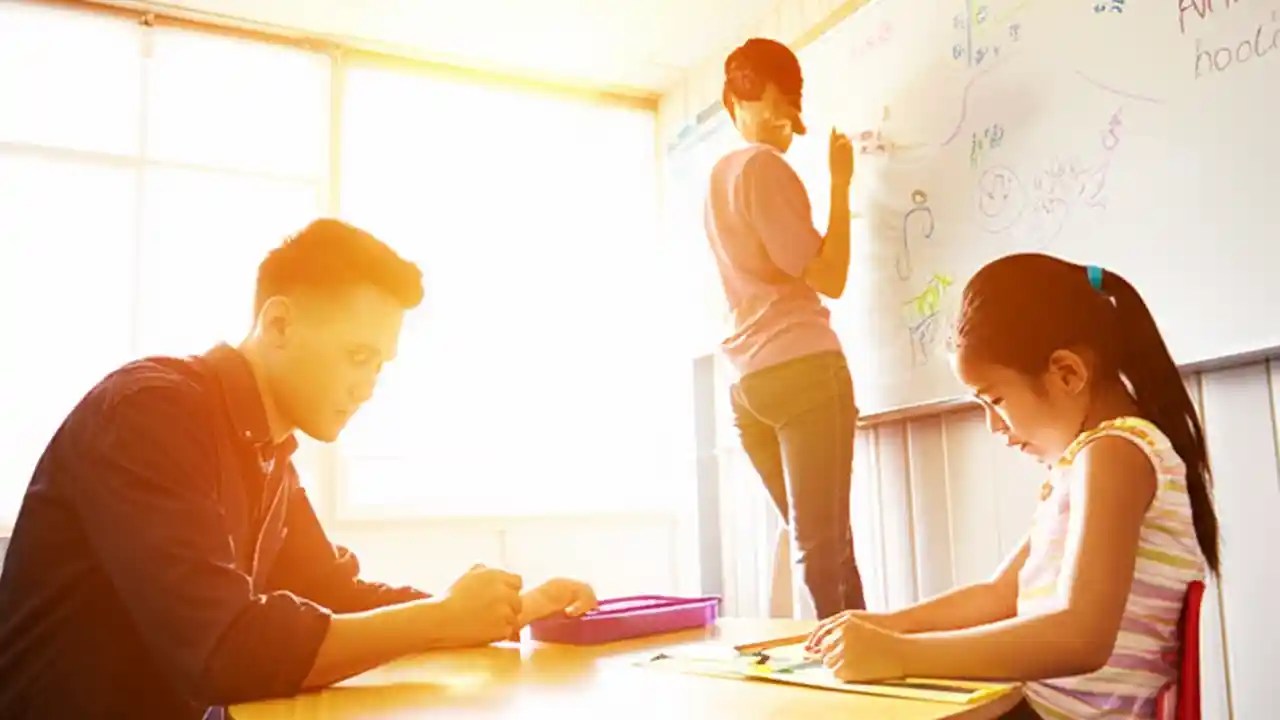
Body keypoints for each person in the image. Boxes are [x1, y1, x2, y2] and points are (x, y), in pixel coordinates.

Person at [0, 219, 598, 719]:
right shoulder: (152, 411)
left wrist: (498, 611)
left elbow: (333, 593)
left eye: (380, 365)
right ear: (279, 324)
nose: (367, 387)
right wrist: (441, 618)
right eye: (357, 356)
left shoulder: (266, 452)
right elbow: (226, 650)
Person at [807, 254, 1219, 719]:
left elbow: (1080, 638)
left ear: (1067, 373)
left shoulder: (1114, 455)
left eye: (995, 399)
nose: (994, 426)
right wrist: (889, 626)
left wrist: (899, 655)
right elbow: (999, 595)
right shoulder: (1091, 461)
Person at [704, 37, 863, 618]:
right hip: (803, 372)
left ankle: (853, 665)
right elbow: (831, 275)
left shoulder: (717, 179)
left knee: (816, 543)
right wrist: (840, 183)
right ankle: (856, 678)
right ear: (741, 102)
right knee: (826, 551)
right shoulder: (764, 167)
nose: (784, 122)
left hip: (749, 387)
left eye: (789, 108)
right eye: (774, 104)